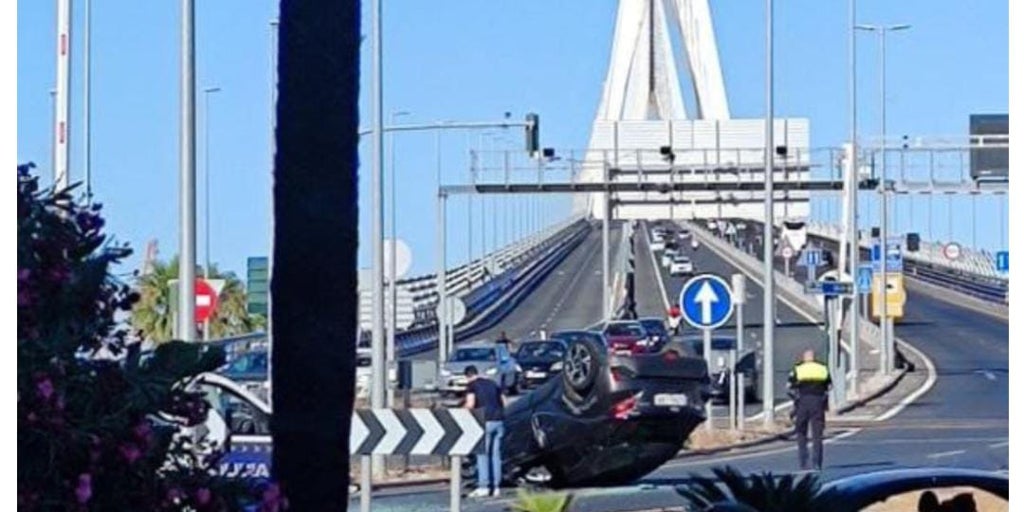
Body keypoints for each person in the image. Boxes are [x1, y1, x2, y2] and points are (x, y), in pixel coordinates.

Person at [464, 365, 506, 498]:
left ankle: (484, 486)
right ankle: (496, 487)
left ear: (468, 376)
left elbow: (470, 404)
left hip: (484, 420)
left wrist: (461, 412)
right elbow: (504, 402)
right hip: (499, 420)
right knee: (496, 455)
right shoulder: (493, 383)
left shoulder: (472, 386)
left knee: (482, 454)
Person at [788, 349, 831, 471]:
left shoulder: (798, 368)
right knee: (817, 434)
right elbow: (829, 386)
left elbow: (789, 387)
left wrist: (795, 401)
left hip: (803, 402)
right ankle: (817, 463)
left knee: (801, 432)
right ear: (814, 358)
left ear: (804, 358)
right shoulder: (823, 368)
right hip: (818, 402)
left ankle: (803, 463)